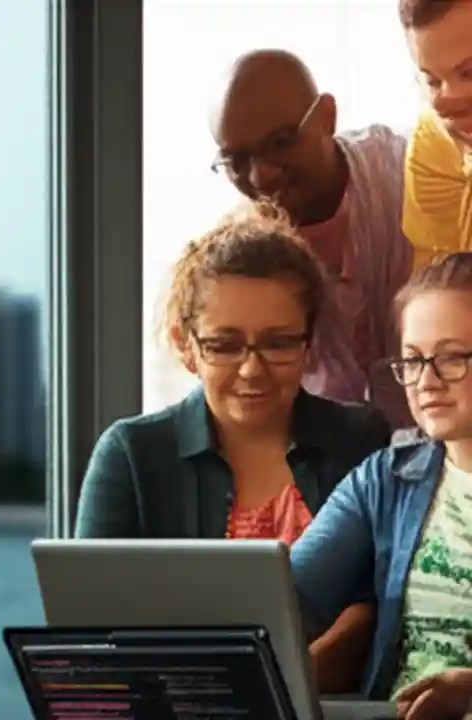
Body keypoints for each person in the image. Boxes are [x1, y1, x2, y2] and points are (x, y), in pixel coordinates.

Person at [76, 203, 392, 692]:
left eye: (278, 343)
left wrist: (289, 681)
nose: (252, 370)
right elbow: (91, 623)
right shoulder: (130, 454)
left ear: (308, 342)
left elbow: (383, 597)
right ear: (186, 345)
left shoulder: (360, 438)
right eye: (225, 345)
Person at [292, 252, 472, 717]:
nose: (426, 381)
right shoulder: (386, 479)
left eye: (451, 358)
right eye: (412, 360)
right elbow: (286, 596)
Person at [211, 49, 414, 428]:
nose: (260, 178)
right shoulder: (246, 254)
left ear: (326, 117)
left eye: (280, 142)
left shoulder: (412, 178)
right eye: (236, 161)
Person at [399, 0, 472, 273]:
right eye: (432, 81)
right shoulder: (431, 145)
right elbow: (439, 290)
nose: (445, 102)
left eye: (469, 72)